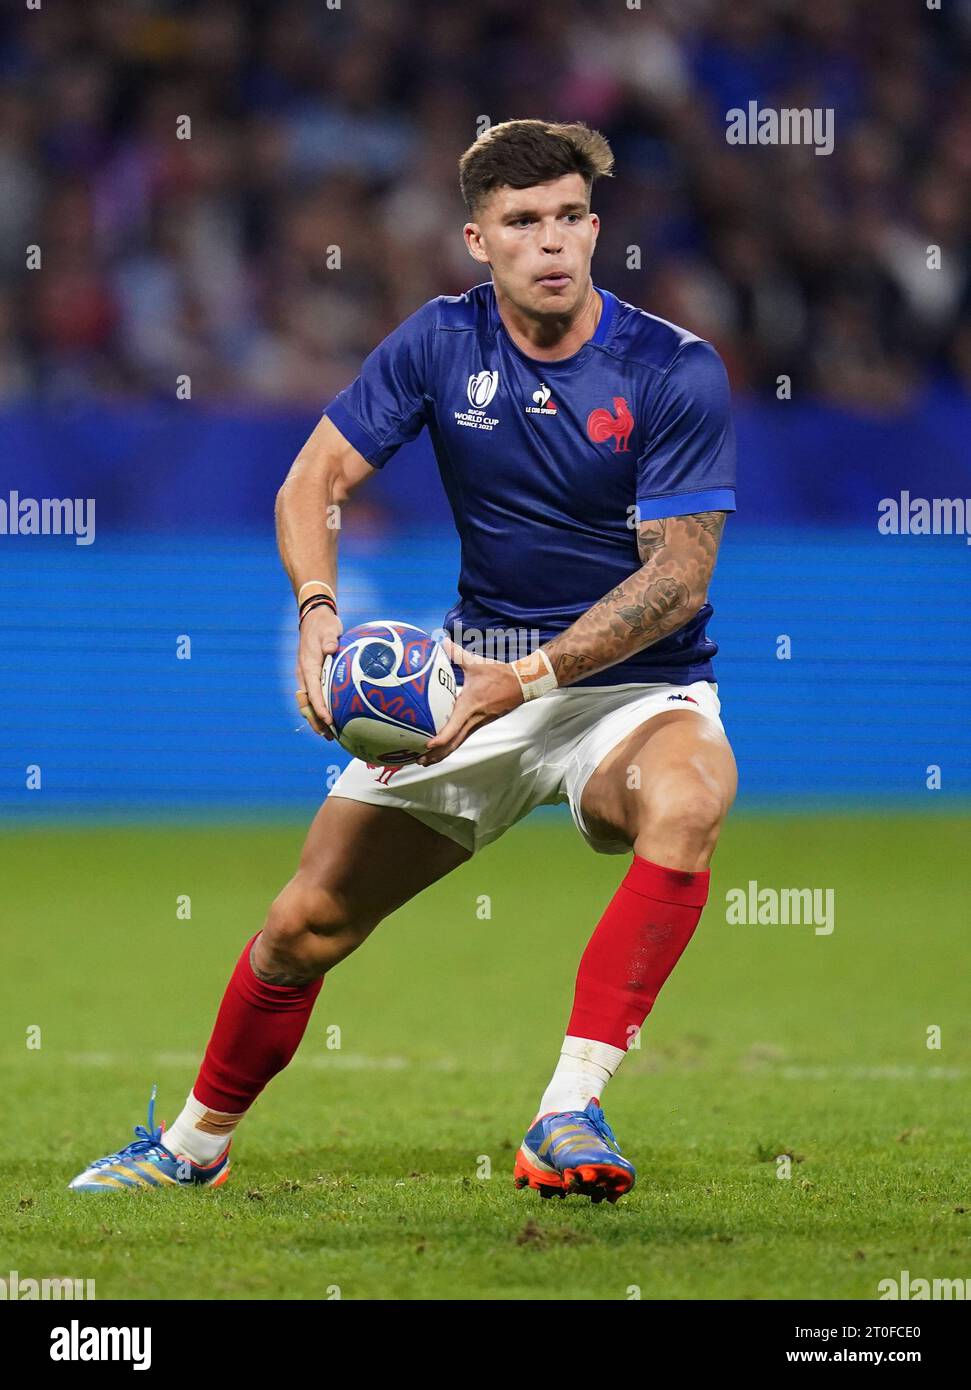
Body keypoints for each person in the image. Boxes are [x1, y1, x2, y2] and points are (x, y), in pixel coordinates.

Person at [69, 120, 737, 1204]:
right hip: (471, 679)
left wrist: (524, 680)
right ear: (477, 239)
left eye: (570, 217)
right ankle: (191, 1148)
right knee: (303, 925)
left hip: (628, 688)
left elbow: (677, 580)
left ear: (593, 227)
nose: (551, 241)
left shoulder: (672, 367)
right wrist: (316, 610)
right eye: (522, 222)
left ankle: (567, 1110)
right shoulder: (439, 342)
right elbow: (311, 482)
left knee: (691, 796)